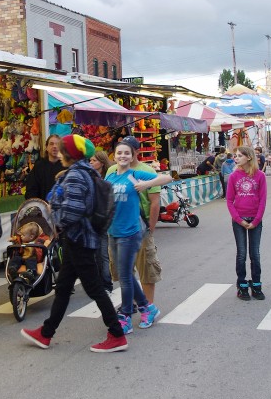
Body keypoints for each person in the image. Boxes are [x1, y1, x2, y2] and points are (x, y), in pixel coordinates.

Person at [21, 135, 128, 353]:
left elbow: (73, 210)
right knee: (63, 288)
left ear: (70, 153)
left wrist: (54, 214)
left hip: (79, 239)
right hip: (76, 239)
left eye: (61, 150)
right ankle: (46, 333)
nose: (58, 153)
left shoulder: (76, 175)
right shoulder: (81, 172)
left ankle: (116, 334)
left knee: (95, 288)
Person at [106, 138, 173, 334]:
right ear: (114, 155)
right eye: (119, 153)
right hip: (113, 231)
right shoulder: (110, 177)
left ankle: (126, 315)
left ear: (134, 154)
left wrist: (146, 184)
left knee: (127, 276)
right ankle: (148, 308)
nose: (123, 156)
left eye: (126, 153)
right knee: (124, 274)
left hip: (131, 231)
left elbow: (167, 178)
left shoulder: (135, 174)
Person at [226, 145, 268, 300]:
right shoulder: (233, 176)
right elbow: (229, 200)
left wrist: (256, 220)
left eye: (239, 155)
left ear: (249, 157)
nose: (236, 158)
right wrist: (239, 220)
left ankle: (256, 284)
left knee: (255, 254)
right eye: (235, 155)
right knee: (241, 254)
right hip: (239, 220)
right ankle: (242, 284)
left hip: (255, 219)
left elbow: (263, 200)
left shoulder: (260, 176)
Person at [89, 149, 114, 292]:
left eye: (94, 160)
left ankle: (106, 284)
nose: (91, 163)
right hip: (92, 221)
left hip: (104, 222)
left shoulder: (108, 178)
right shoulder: (90, 177)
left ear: (102, 162)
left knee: (103, 254)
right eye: (90, 160)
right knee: (95, 254)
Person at [24, 134, 63, 200]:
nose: (54, 146)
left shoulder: (65, 167)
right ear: (47, 147)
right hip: (43, 207)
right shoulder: (39, 166)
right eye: (51, 144)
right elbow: (31, 190)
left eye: (57, 144)